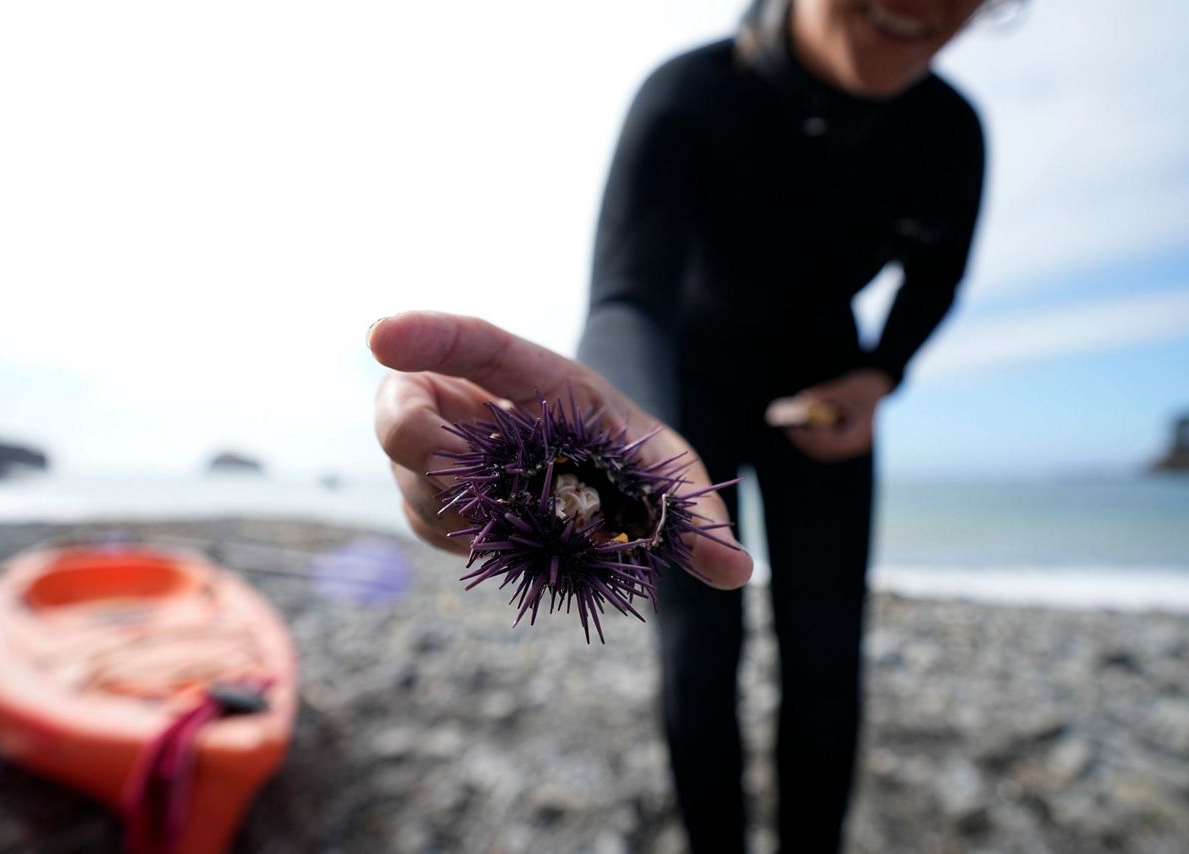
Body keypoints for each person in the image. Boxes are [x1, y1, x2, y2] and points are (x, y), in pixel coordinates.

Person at [371, 0, 993, 850]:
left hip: (829, 394)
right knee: (696, 658)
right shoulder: (689, 95)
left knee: (828, 654)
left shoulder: (952, 132)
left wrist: (879, 376)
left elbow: (937, 280)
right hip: (675, 399)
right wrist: (602, 438)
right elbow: (630, 296)